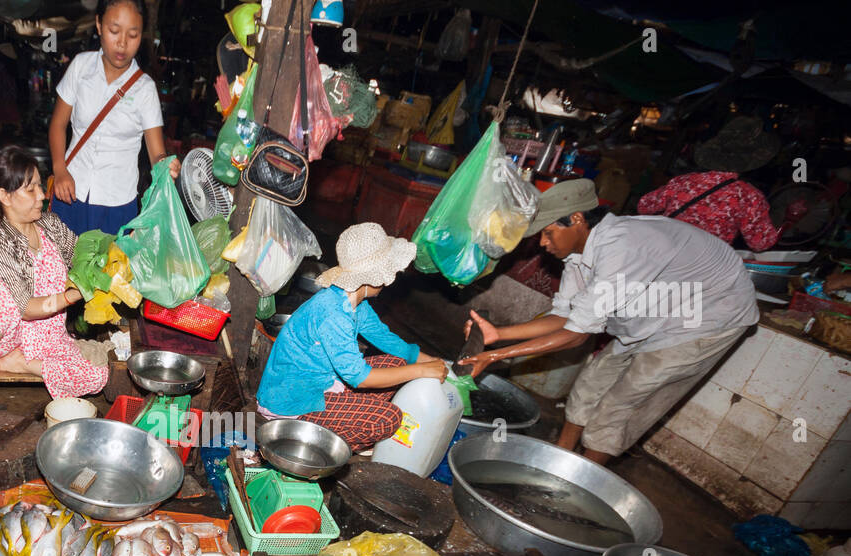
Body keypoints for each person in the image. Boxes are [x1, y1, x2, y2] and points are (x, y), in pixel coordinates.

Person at [463, 178, 759, 465]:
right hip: (660, 311)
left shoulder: (622, 248)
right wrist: (498, 334)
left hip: (707, 317)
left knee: (618, 407)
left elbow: (576, 335)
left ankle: (572, 484)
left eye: (548, 233)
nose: (542, 243)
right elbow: (564, 316)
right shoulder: (579, 253)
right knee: (589, 385)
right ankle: (557, 457)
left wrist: (495, 355)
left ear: (577, 219)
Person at [256, 223, 448, 452]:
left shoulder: (351, 300)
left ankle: (348, 420)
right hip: (294, 401)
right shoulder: (333, 313)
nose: (392, 278)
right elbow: (360, 378)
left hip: (322, 383)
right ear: (373, 277)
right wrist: (421, 370)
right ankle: (320, 443)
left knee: (399, 363)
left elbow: (383, 337)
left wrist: (429, 361)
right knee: (389, 419)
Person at [0, 146, 108, 399]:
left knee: (97, 377)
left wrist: (106, 258)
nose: (41, 196)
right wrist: (73, 295)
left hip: (47, 336)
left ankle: (19, 364)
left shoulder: (49, 224)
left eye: (40, 187)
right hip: (1, 336)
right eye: (30, 189)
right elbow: (26, 309)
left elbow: (80, 254)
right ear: (5, 196)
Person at [47, 0, 179, 235]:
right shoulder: (80, 67)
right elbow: (58, 124)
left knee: (108, 270)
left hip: (116, 204)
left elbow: (156, 153)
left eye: (133, 35)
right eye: (114, 31)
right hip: (70, 191)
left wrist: (166, 165)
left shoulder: (145, 89)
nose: (122, 43)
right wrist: (60, 170)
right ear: (98, 25)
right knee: (59, 268)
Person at [635, 117, 780, 251]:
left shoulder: (683, 182)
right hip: (705, 263)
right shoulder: (749, 196)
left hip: (663, 251)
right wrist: (787, 221)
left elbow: (644, 206)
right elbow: (761, 243)